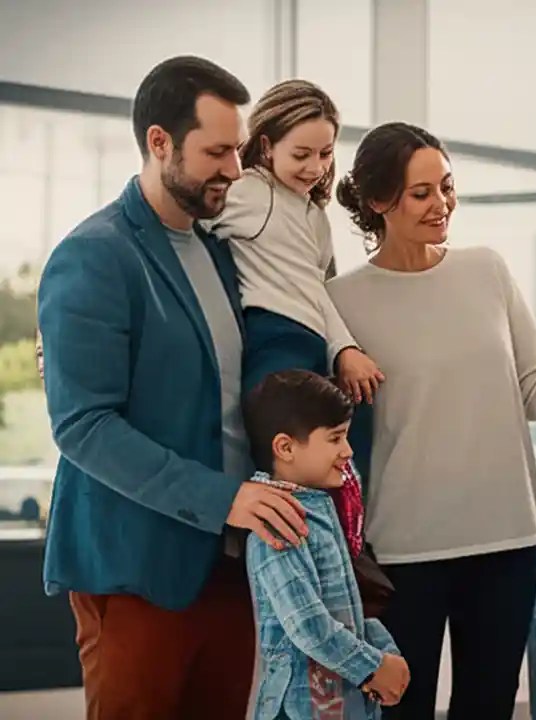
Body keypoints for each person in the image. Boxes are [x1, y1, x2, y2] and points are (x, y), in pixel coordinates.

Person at [326, 121, 536, 719]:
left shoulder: (486, 270)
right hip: (403, 549)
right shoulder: (342, 301)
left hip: (505, 541)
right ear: (379, 201)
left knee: (488, 708)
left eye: (447, 187)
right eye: (421, 192)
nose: (442, 204)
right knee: (400, 709)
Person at [36, 56, 309, 719]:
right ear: (159, 143)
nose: (234, 170)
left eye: (237, 152)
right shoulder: (95, 255)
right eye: (216, 152)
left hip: (230, 566)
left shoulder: (221, 251)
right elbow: (83, 426)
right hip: (138, 571)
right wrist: (226, 500)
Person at [206, 78, 374, 570]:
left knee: (353, 423)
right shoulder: (249, 192)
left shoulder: (315, 216)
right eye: (301, 154)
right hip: (271, 340)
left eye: (325, 154)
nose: (315, 167)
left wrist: (343, 349)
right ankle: (266, 550)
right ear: (265, 145)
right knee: (289, 449)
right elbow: (185, 226)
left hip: (311, 344)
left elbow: (320, 292)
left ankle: (347, 542)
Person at [242, 369, 408, 719]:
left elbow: (344, 613)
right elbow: (307, 625)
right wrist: (373, 666)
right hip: (303, 709)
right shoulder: (278, 521)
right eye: (335, 439)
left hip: (337, 703)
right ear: (285, 447)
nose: (347, 451)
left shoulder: (316, 510)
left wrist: (384, 654)